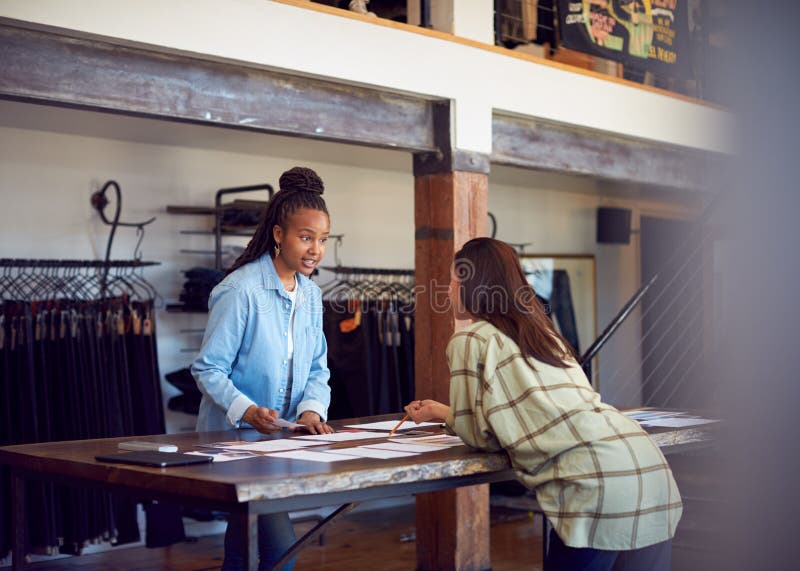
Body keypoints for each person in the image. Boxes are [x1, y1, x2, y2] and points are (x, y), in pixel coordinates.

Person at [404, 237, 681, 571]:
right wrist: (441, 411)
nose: (447, 290)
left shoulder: (470, 338)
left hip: (593, 486)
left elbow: (480, 435)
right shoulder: (543, 334)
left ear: (471, 284)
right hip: (646, 468)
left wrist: (448, 415)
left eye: (452, 280)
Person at [192, 166, 334, 571]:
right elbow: (208, 369)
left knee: (243, 548)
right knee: (280, 550)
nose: (315, 249)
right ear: (278, 234)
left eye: (322, 240)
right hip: (236, 441)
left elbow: (318, 370)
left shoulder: (310, 295)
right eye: (306, 237)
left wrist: (311, 411)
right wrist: (248, 410)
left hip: (282, 440)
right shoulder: (240, 291)